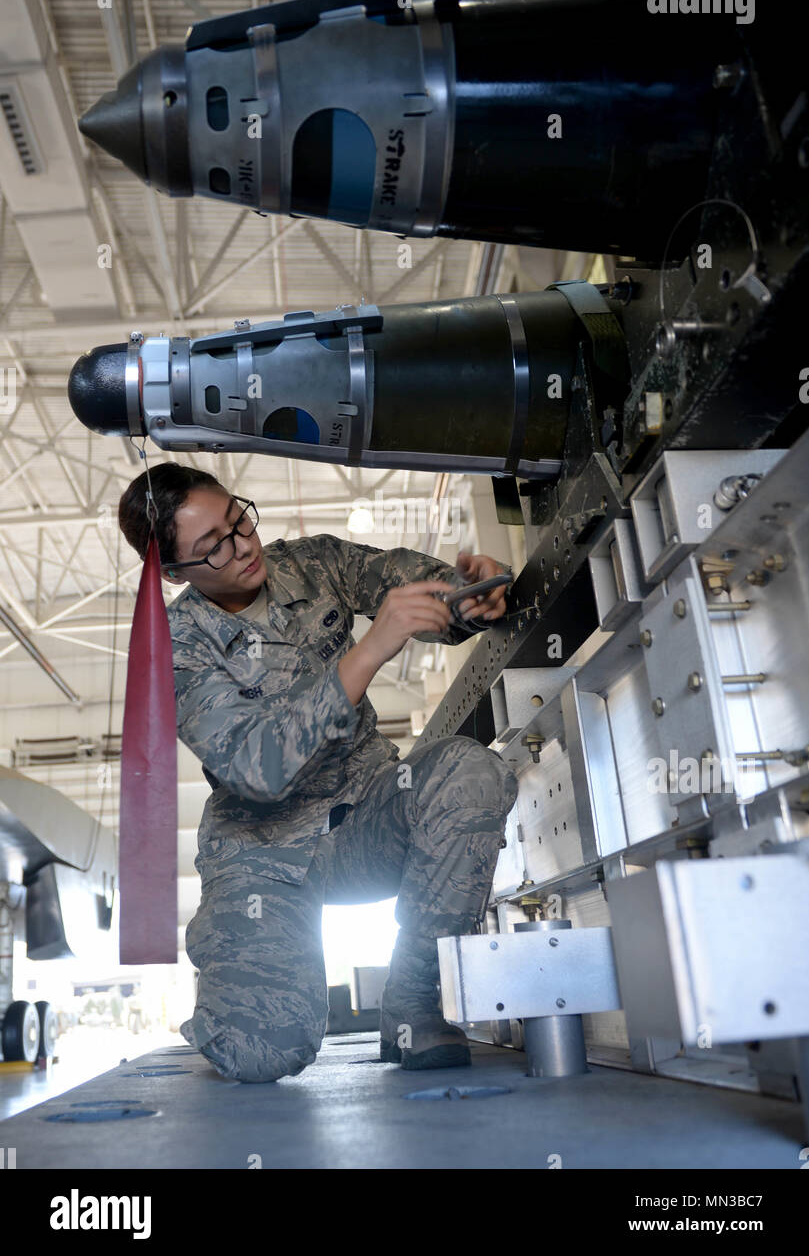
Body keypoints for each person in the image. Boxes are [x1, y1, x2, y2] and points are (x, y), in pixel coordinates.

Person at [118, 463, 519, 1082]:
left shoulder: (312, 561)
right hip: (263, 858)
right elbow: (259, 770)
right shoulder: (173, 646)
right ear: (175, 573)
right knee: (261, 1053)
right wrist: (369, 650)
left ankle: (414, 1003)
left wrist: (472, 594)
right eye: (213, 546)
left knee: (470, 773)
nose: (243, 545)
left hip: (369, 821)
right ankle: (235, 978)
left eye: (238, 519)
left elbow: (412, 586)